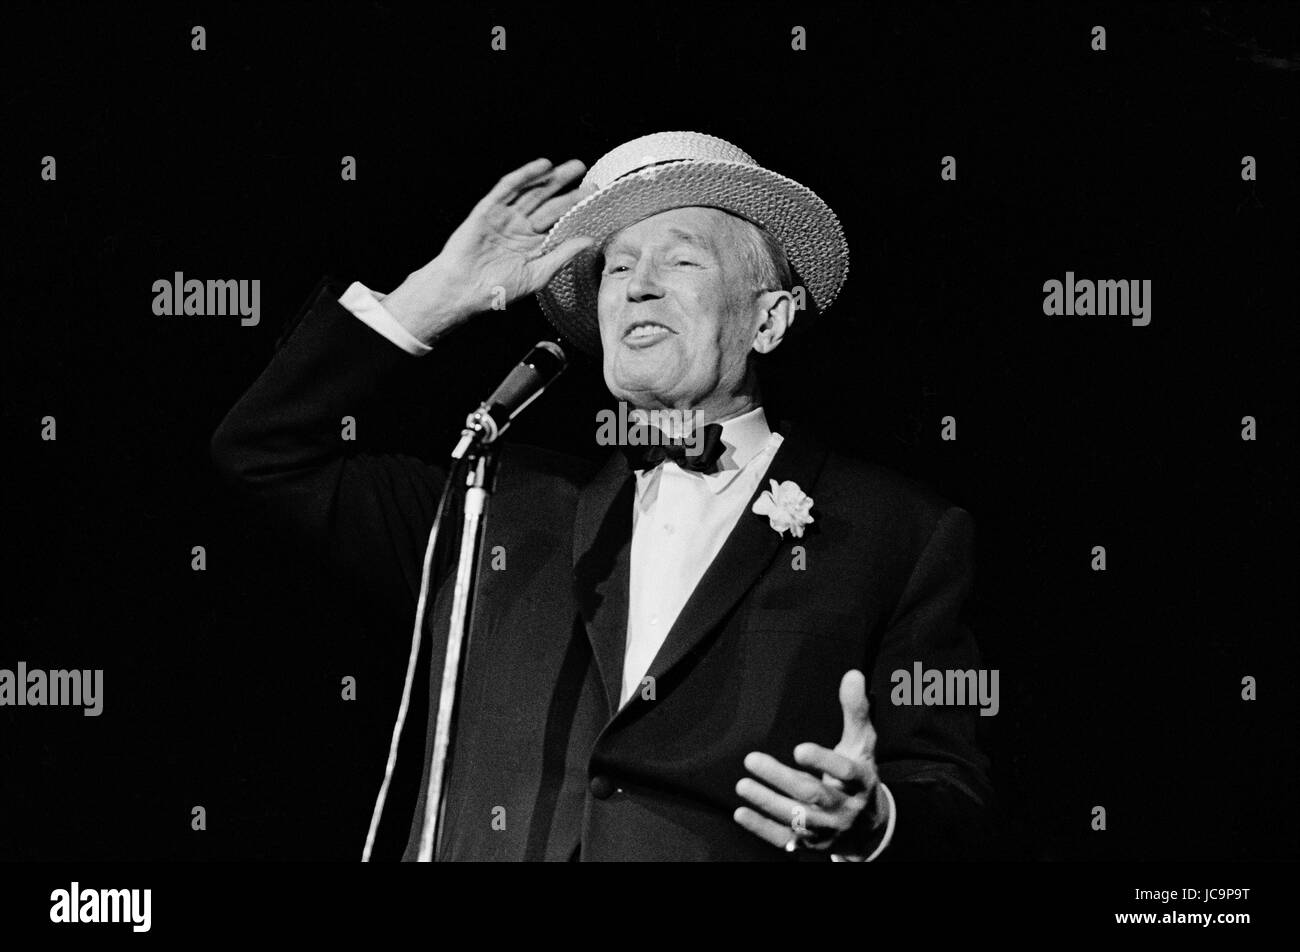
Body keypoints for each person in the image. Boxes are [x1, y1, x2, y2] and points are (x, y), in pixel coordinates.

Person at [210, 131, 993, 861]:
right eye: (617, 268)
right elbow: (269, 453)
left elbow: (950, 793)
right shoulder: (493, 499)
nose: (638, 287)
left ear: (771, 319)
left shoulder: (896, 532)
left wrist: (874, 822)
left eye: (682, 263)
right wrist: (432, 298)